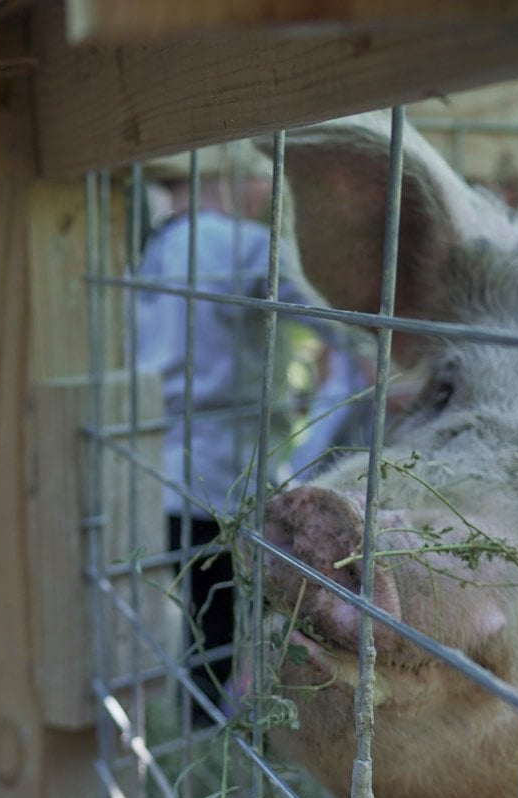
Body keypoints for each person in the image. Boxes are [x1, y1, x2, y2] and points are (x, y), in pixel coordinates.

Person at [135, 142, 361, 723]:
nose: (271, 194)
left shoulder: (160, 244)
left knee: (202, 617)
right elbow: (336, 318)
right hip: (228, 474)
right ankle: (237, 732)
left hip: (171, 469)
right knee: (246, 616)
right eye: (265, 178)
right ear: (231, 175)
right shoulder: (238, 245)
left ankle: (201, 726)